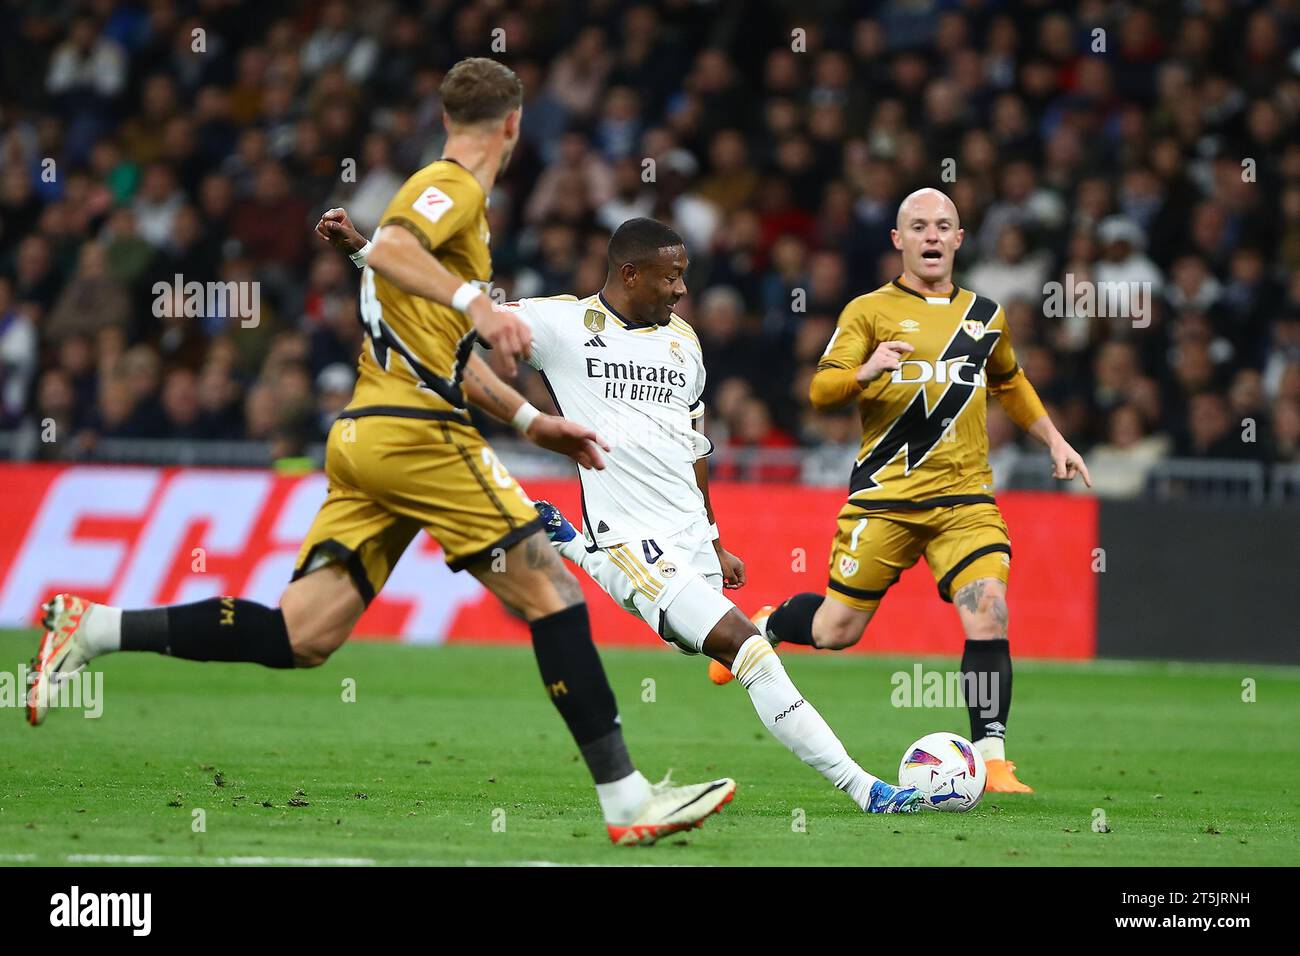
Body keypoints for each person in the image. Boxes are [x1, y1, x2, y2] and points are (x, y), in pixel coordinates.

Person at [27, 58, 734, 847]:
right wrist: (473, 300)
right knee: (554, 597)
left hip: (367, 437)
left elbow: (437, 335)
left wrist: (534, 423)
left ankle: (95, 627)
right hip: (420, 434)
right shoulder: (455, 186)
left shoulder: (444, 218)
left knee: (304, 635)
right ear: (513, 124)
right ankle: (628, 800)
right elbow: (406, 241)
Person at [326, 213, 923, 814]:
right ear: (630, 274)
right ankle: (865, 789)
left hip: (690, 534)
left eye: (684, 276)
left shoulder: (683, 341)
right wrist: (365, 251)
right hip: (634, 541)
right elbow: (452, 310)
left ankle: (570, 541)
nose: (683, 290)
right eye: (673, 277)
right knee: (749, 654)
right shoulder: (560, 324)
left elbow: (695, 441)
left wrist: (714, 537)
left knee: (697, 645)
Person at [711, 188, 1091, 795]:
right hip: (885, 498)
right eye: (919, 226)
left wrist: (1053, 439)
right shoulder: (868, 312)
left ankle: (992, 758)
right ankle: (771, 621)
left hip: (966, 501)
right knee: (838, 631)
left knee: (988, 613)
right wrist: (864, 372)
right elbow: (821, 391)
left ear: (960, 239)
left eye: (944, 226)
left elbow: (1011, 382)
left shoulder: (985, 315)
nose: (932, 236)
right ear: (899, 240)